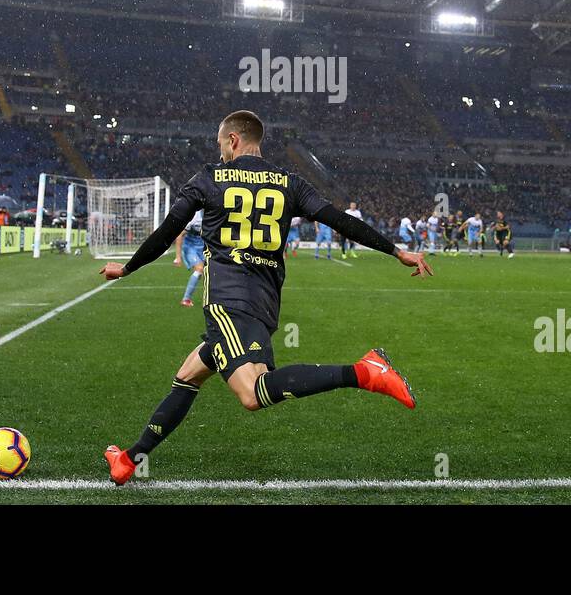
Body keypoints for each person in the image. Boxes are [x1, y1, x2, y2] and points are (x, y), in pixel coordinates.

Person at [98, 110, 432, 485]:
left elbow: (168, 230)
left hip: (227, 300)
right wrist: (394, 250)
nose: (221, 151)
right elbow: (340, 220)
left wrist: (127, 268)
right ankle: (128, 460)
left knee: (253, 393)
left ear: (233, 140)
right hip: (265, 303)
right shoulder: (290, 182)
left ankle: (364, 372)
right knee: (189, 375)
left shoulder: (209, 178)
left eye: (221, 144)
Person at [174, 208, 206, 307]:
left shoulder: (213, 213)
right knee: (199, 269)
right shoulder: (195, 216)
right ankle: (186, 299)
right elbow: (179, 235)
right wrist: (178, 257)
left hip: (204, 246)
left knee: (211, 272)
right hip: (190, 247)